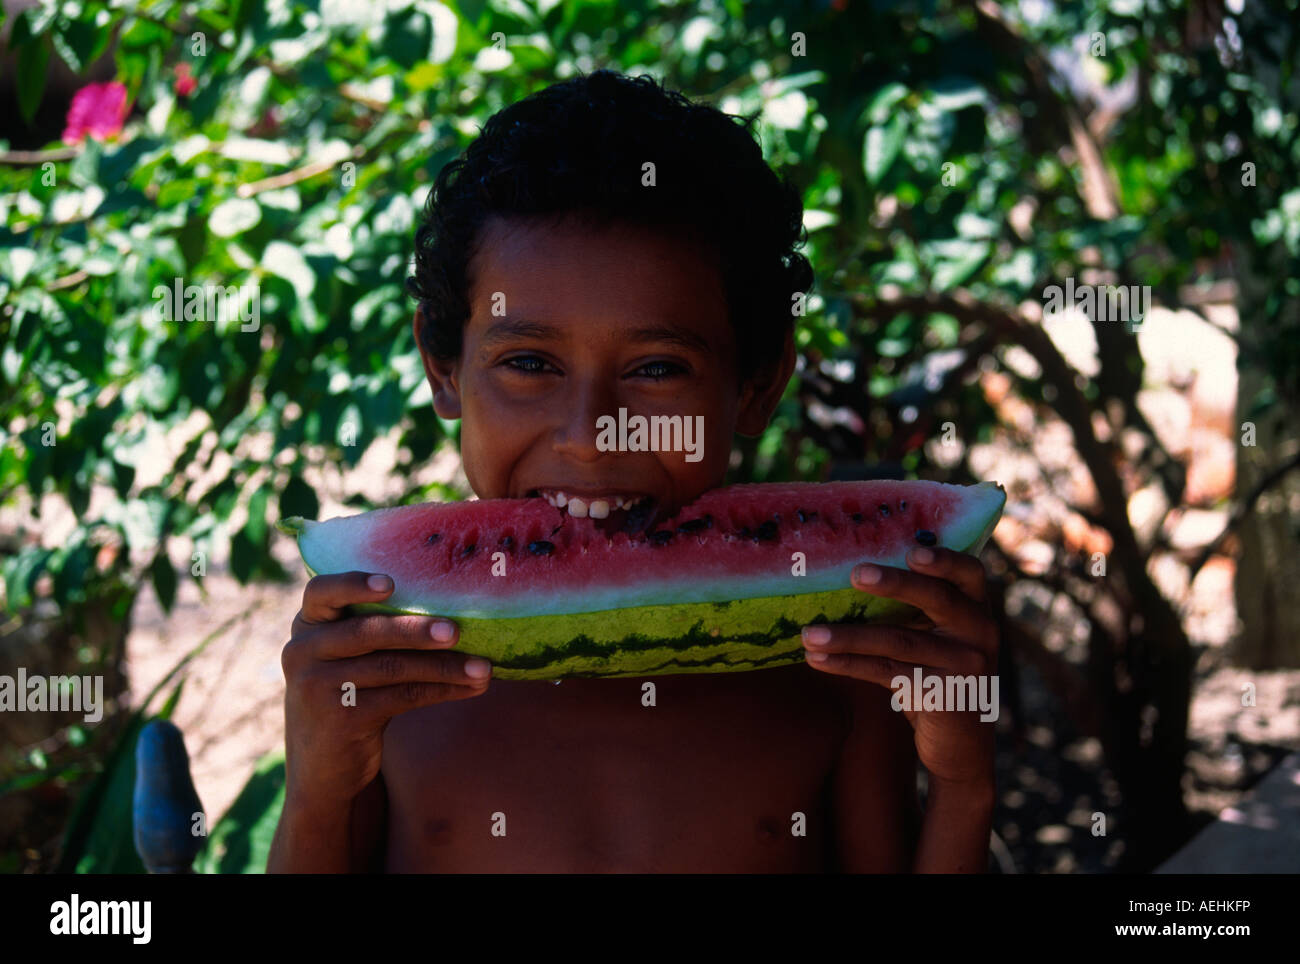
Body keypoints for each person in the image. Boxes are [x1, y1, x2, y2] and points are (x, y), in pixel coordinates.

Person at [268, 70, 997, 873]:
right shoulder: (387, 671)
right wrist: (319, 794)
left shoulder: (841, 669)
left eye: (656, 369)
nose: (589, 435)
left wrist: (963, 788)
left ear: (757, 383)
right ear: (443, 367)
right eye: (529, 361)